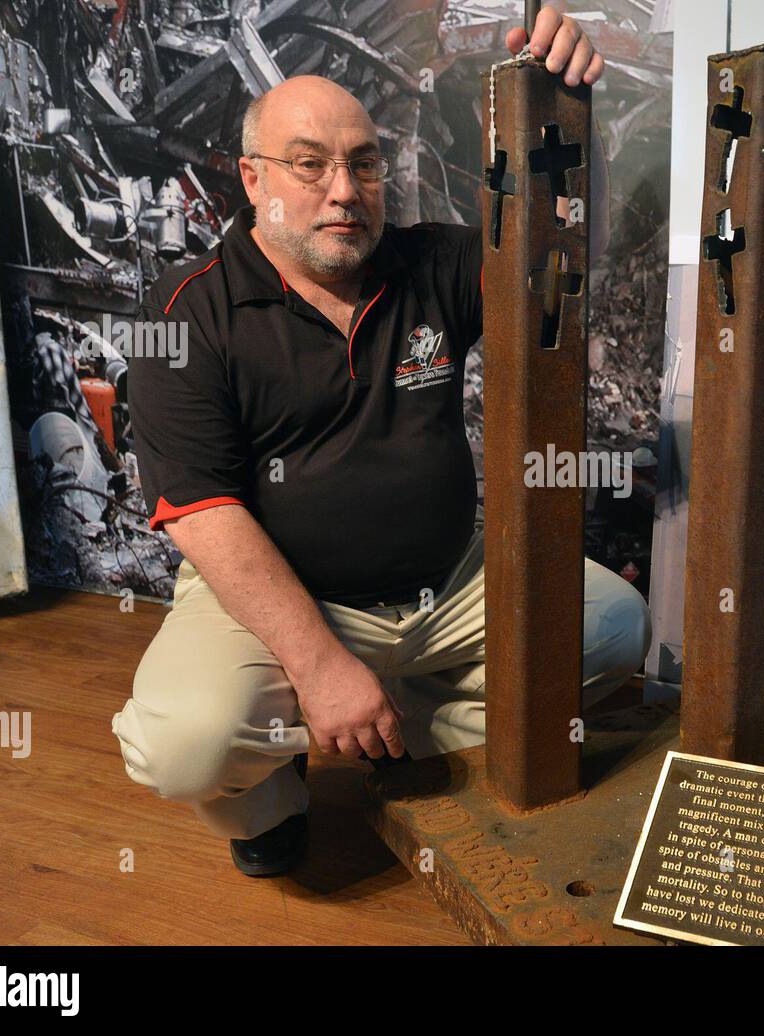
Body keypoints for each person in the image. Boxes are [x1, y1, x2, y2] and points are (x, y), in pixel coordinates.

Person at [111, 7, 650, 876]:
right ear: (252, 179)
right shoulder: (187, 313)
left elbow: (554, 256)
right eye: (309, 164)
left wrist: (562, 104)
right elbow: (201, 511)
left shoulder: (430, 265)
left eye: (363, 164)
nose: (343, 189)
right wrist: (318, 663)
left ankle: (407, 723)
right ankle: (270, 799)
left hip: (446, 587)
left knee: (615, 627)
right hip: (287, 602)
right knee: (190, 743)